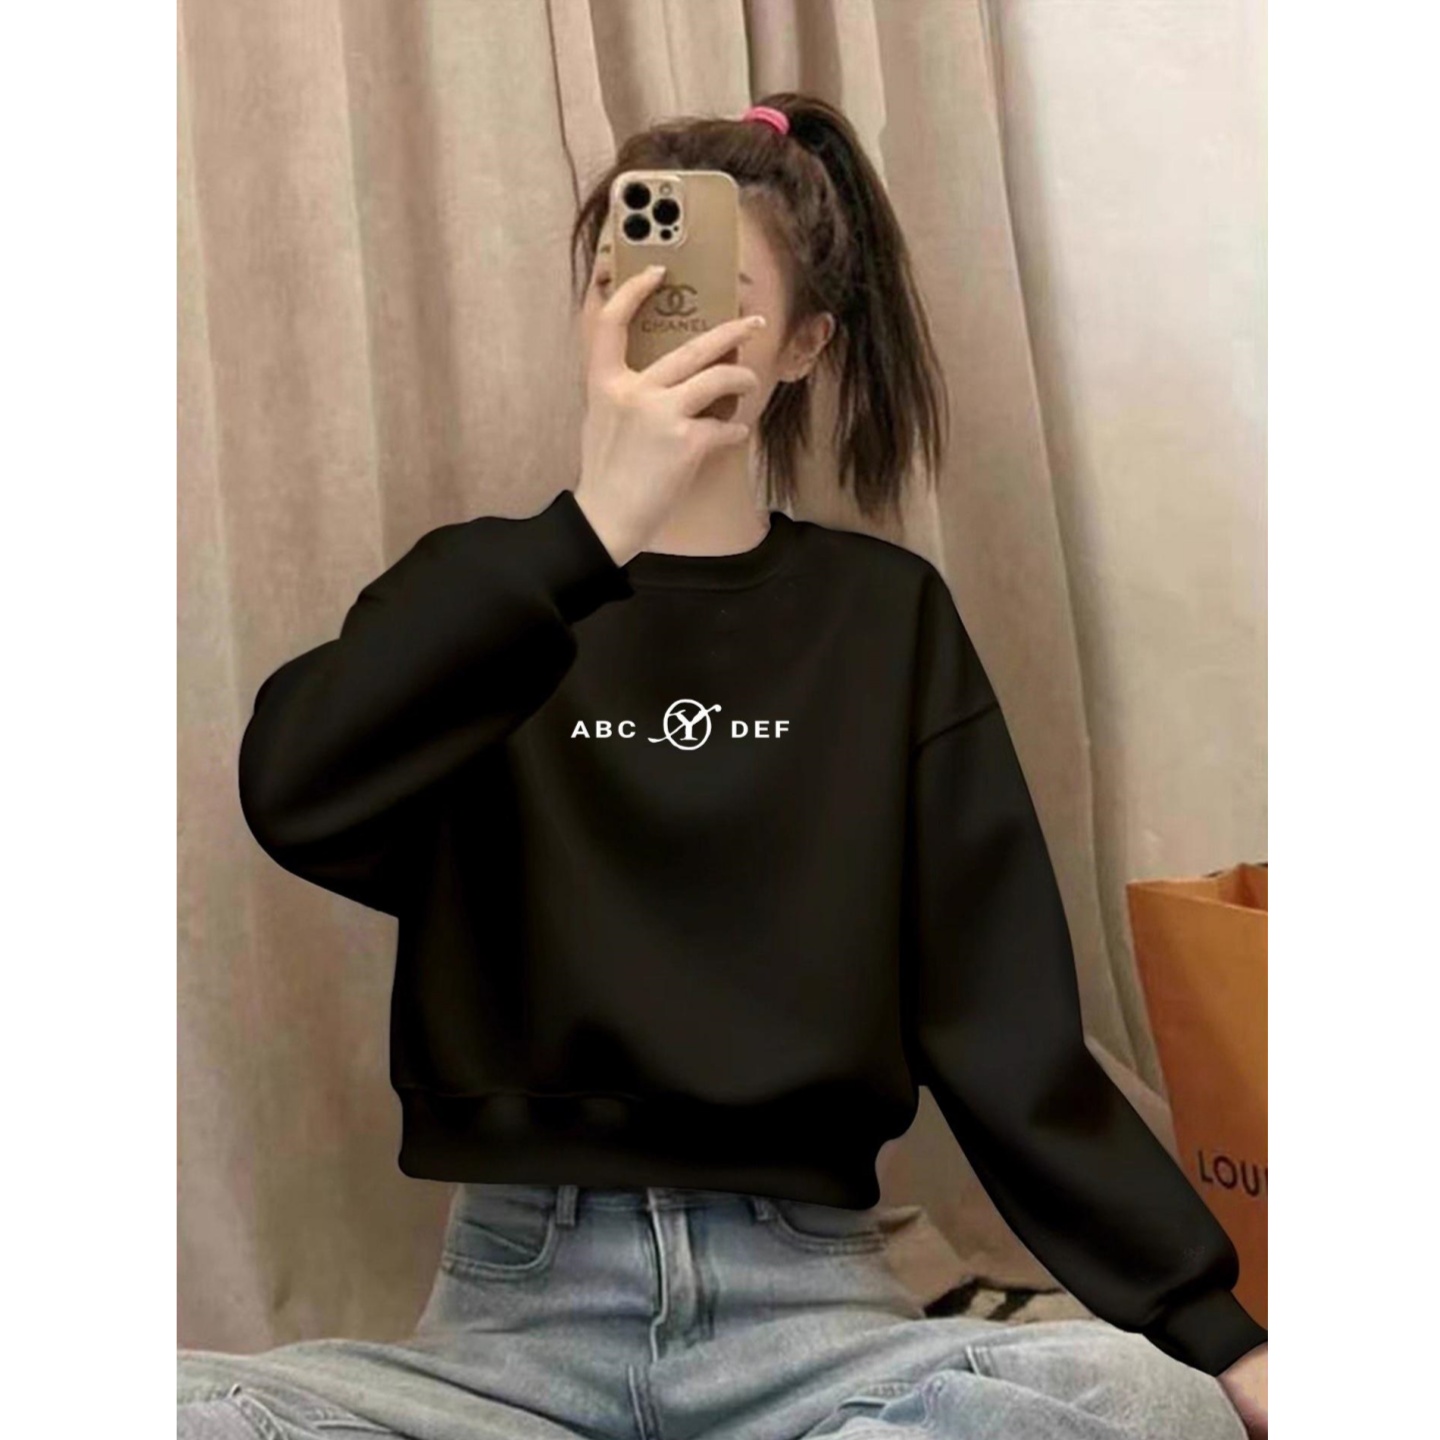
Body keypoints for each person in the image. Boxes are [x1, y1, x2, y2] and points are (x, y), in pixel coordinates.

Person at [180, 94, 1267, 1439]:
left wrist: (1218, 1337)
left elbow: (1005, 1029)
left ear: (805, 344)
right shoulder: (480, 598)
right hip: (510, 1336)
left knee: (1143, 1405)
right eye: (618, 282)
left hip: (809, 1323)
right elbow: (294, 789)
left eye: (709, 294)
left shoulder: (883, 620)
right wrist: (594, 529)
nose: (655, 317)